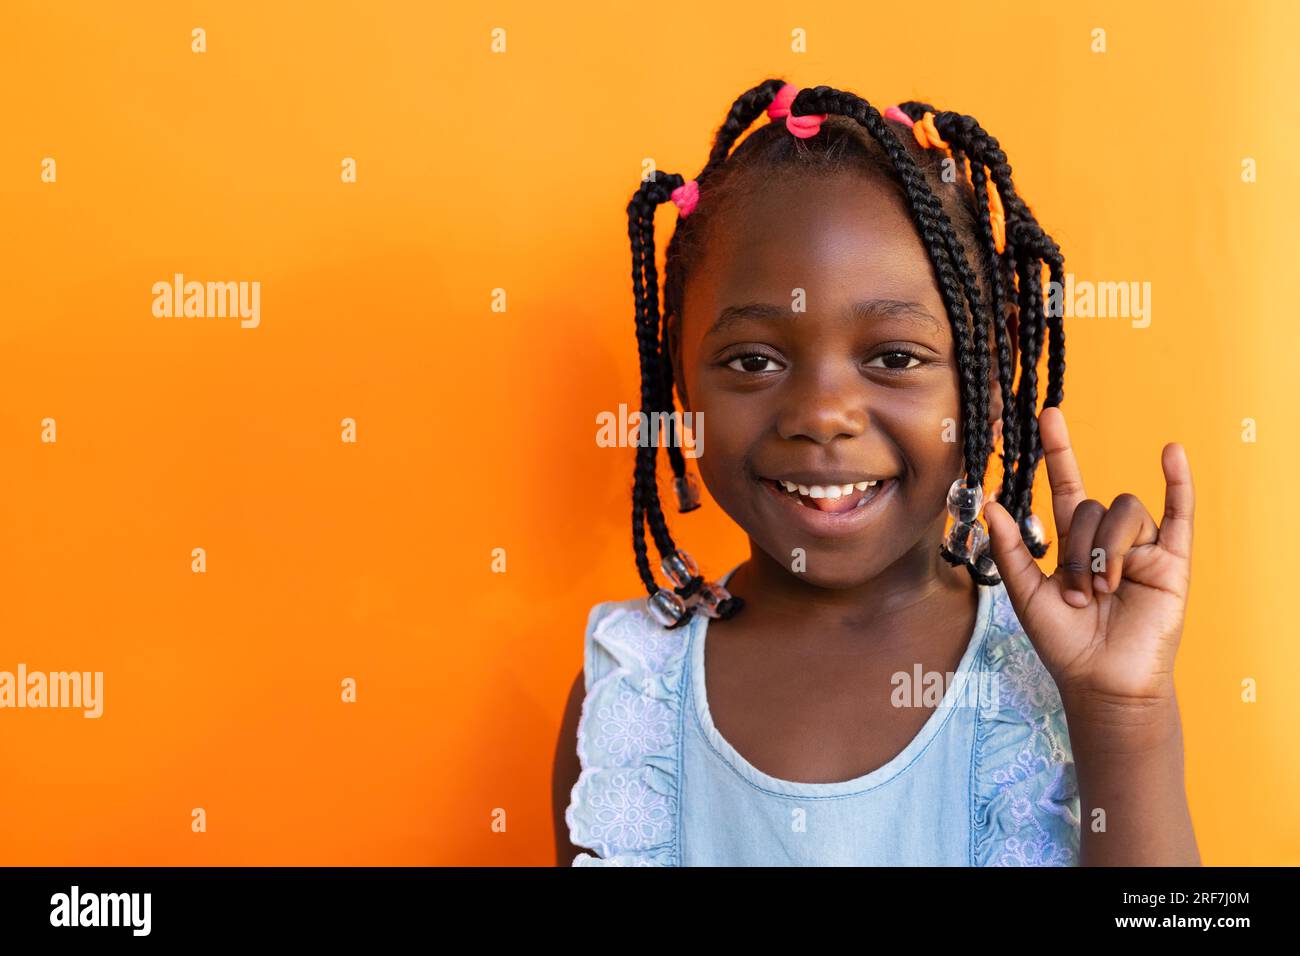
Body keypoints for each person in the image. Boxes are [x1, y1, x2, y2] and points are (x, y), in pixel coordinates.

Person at [551, 79, 1198, 866]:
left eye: (894, 357)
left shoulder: (1066, 677)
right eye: (753, 360)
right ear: (681, 387)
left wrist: (1123, 717)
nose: (824, 413)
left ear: (988, 376)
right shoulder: (629, 699)